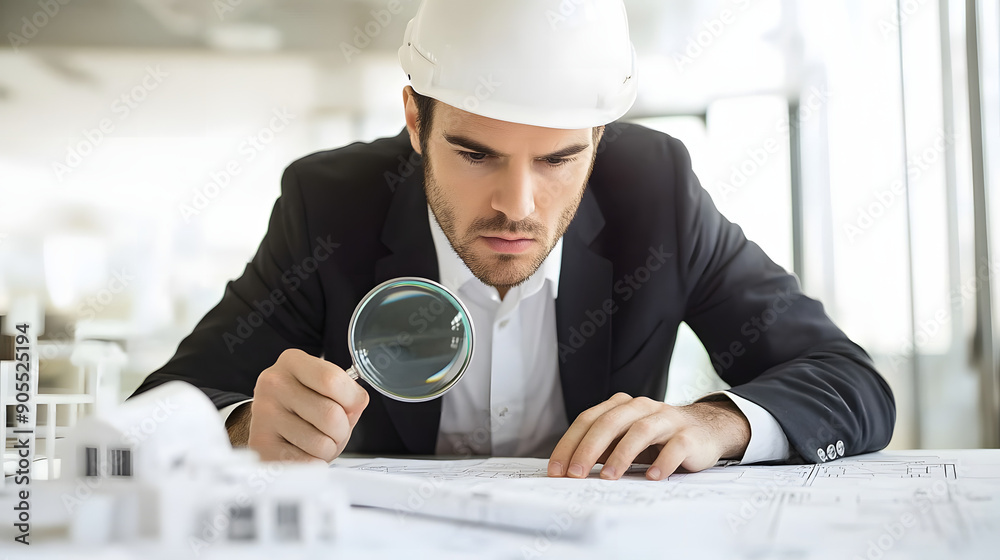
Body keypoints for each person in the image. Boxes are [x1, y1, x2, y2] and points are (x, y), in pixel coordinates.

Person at [131, 0, 895, 481]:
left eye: (560, 158)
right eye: (475, 154)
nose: (516, 206)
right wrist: (240, 426)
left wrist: (716, 423)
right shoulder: (331, 205)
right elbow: (161, 407)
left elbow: (850, 383)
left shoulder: (654, 191)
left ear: (598, 139)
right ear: (415, 121)